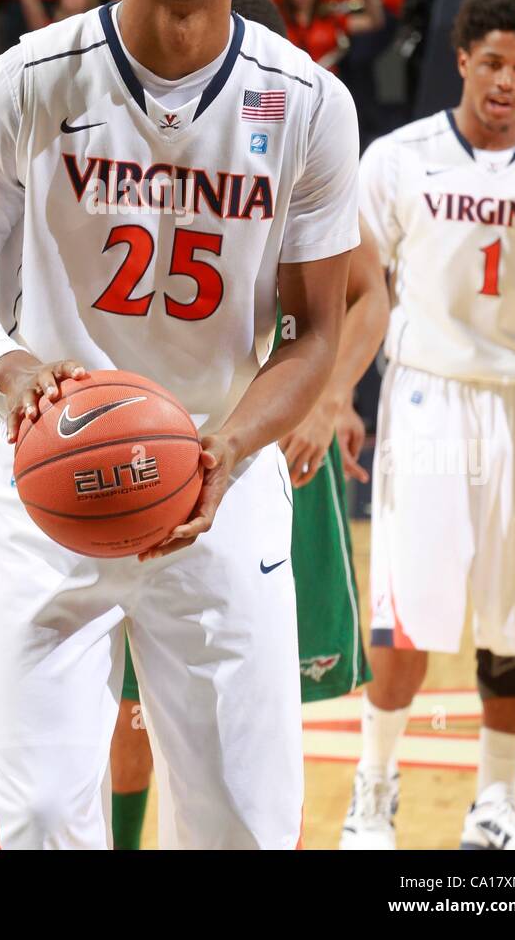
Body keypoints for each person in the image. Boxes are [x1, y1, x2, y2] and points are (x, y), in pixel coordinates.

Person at [0, 0, 360, 850]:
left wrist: (228, 452)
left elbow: (314, 330)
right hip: (45, 474)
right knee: (37, 820)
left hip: (218, 477)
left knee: (246, 824)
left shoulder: (308, 105)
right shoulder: (25, 80)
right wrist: (5, 359)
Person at [341, 0, 515, 851]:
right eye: (494, 63)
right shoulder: (397, 160)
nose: (507, 80)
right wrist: (339, 396)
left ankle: (496, 807)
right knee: (409, 611)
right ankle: (372, 798)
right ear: (464, 61)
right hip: (428, 395)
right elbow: (363, 293)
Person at [108, 214, 387, 848]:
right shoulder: (124, 150)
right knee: (129, 701)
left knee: (258, 715)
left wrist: (329, 397)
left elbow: (369, 288)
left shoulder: (292, 137)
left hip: (269, 447)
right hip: (152, 442)